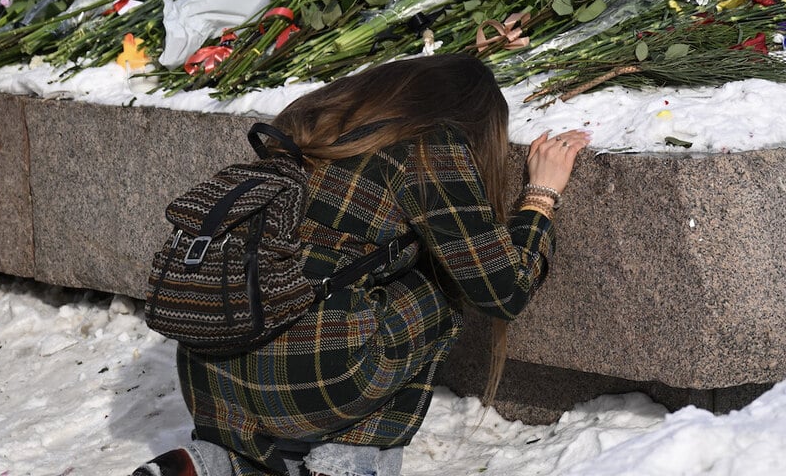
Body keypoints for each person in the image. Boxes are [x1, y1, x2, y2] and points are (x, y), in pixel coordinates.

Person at [134, 53, 589, 476]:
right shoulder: (428, 146)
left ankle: (208, 463)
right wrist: (540, 197)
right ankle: (346, 462)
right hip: (310, 379)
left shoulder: (308, 117)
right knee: (443, 287)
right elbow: (502, 289)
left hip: (208, 365)